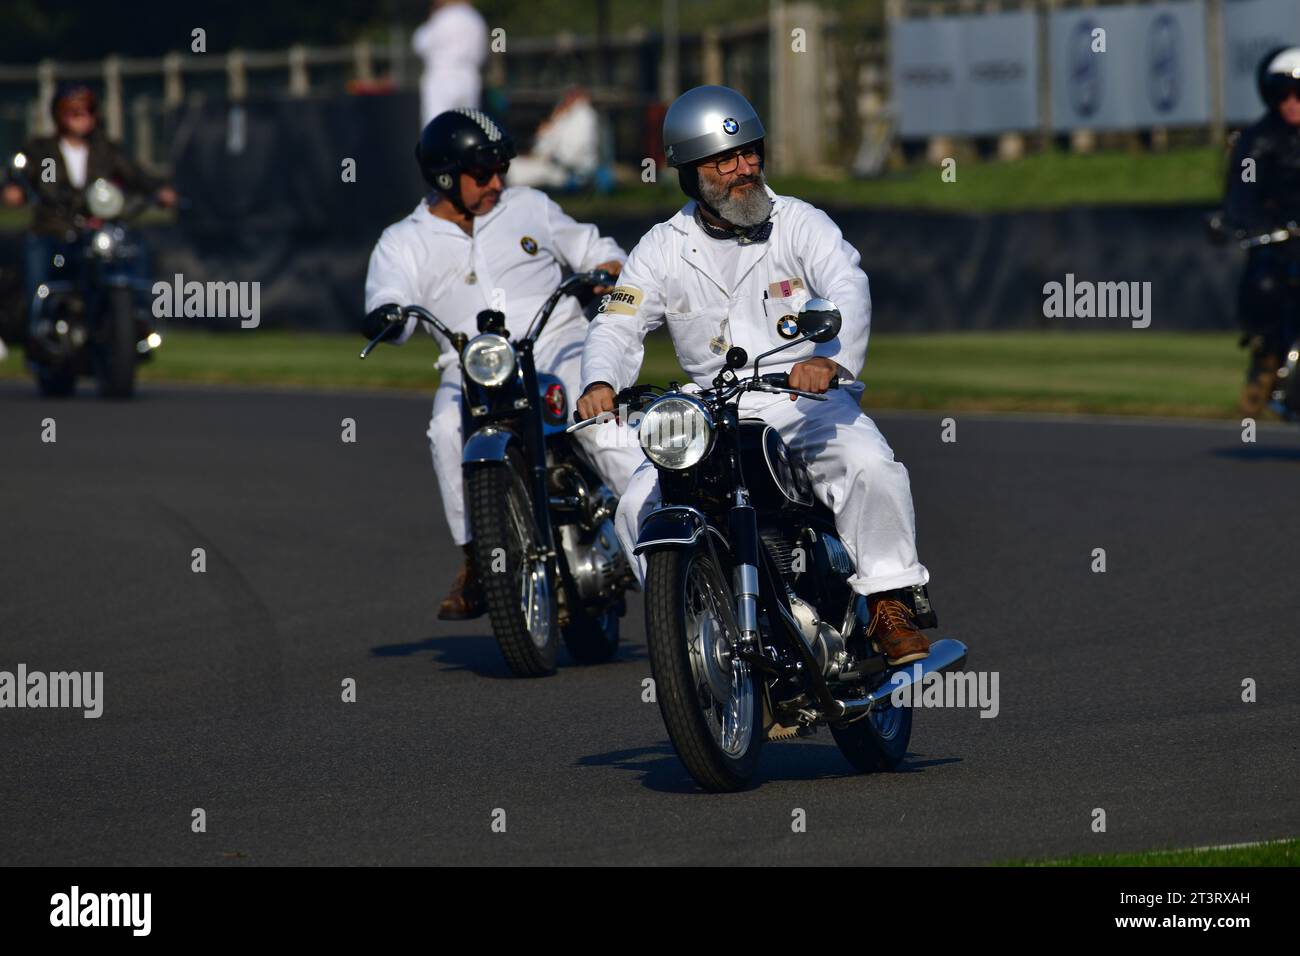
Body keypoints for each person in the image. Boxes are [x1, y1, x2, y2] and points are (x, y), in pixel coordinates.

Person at [577, 85, 933, 666]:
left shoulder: (800, 223)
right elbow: (617, 322)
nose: (744, 170)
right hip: (711, 408)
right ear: (691, 173)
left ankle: (890, 600)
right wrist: (599, 384)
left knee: (868, 463)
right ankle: (696, 632)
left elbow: (848, 285)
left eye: (750, 154)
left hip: (801, 399)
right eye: (725, 160)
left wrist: (828, 358)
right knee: (636, 504)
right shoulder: (661, 247)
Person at [363, 108, 644, 620]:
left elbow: (594, 247)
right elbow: (390, 300)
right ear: (446, 176)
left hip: (557, 344)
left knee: (599, 424)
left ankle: (662, 539)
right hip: (471, 363)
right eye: (482, 173)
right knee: (446, 428)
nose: (496, 182)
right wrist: (385, 311)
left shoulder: (529, 206)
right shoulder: (402, 240)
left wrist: (606, 267)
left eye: (501, 170)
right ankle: (475, 558)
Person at [2, 81, 176, 315]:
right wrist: (17, 190)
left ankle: (139, 314)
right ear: (58, 114)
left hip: (96, 228)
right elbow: (41, 177)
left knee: (134, 248)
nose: (80, 116)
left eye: (87, 110)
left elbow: (135, 175)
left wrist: (159, 191)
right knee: (38, 260)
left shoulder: (106, 150)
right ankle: (36, 322)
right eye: (72, 111)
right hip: (55, 228)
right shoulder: (45, 152)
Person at [1223, 46, 1300, 416]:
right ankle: (1267, 355)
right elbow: (1242, 193)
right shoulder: (1257, 141)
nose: (1291, 104)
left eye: (1299, 95)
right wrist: (1258, 225)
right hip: (1282, 241)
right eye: (1282, 95)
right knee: (1265, 282)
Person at [412, 0, 488, 127]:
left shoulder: (443, 17)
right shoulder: (476, 19)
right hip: (469, 77)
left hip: (442, 76)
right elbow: (482, 54)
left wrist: (431, 18)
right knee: (466, 126)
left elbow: (420, 43)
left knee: (436, 127)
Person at [508, 88, 601, 190]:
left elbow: (573, 152)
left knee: (514, 169)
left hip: (568, 172)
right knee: (512, 164)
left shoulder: (583, 115)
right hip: (554, 164)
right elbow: (543, 146)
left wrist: (548, 154)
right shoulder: (565, 115)